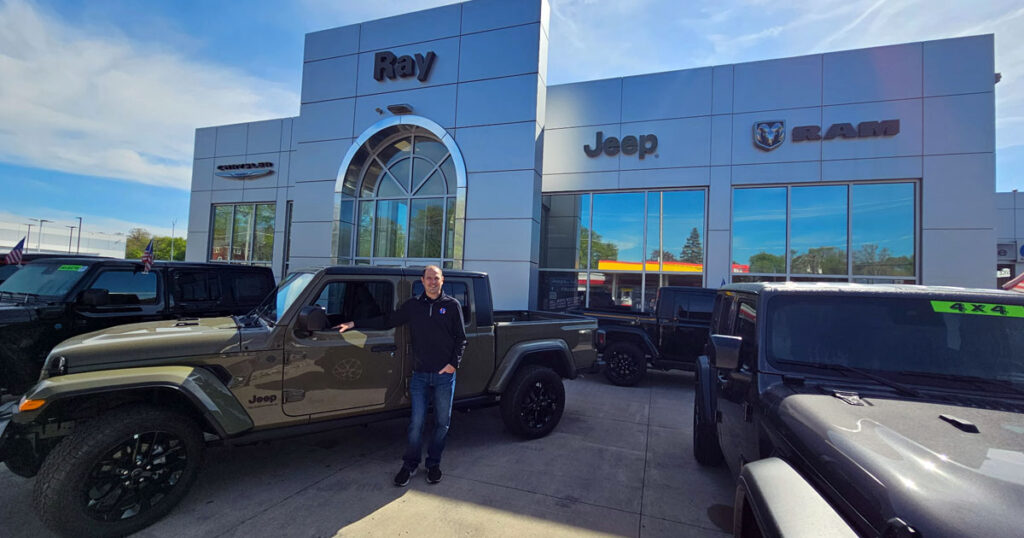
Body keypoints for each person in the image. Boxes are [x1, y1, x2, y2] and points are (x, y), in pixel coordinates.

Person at [336, 265, 467, 486]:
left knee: (442, 423)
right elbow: (387, 320)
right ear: (422, 281)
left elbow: (461, 338)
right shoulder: (413, 306)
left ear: (442, 280)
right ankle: (410, 465)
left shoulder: (452, 306)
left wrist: (453, 364)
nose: (432, 282)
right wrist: (354, 323)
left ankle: (433, 464)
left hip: (444, 375)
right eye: (428, 278)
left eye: (436, 278)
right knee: (416, 424)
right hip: (420, 376)